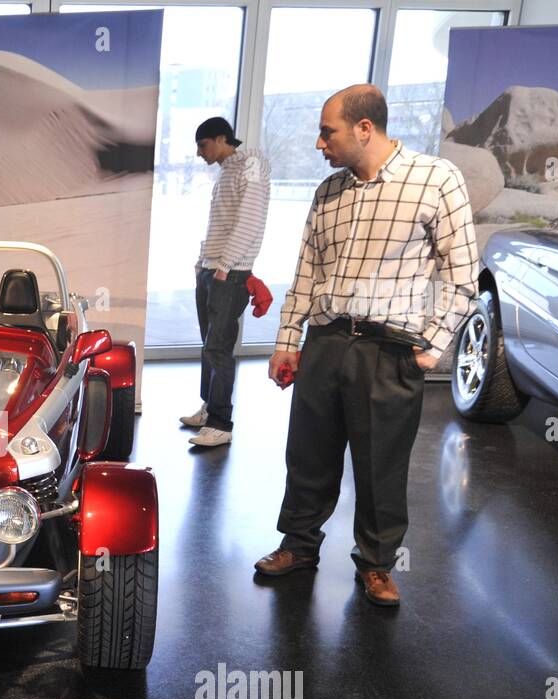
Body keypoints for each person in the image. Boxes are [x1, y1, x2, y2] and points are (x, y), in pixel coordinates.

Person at [254, 84, 478, 607]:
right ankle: (299, 544)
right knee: (308, 452)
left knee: (380, 463)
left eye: (326, 131)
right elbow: (307, 271)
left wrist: (433, 345)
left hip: (390, 348)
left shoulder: (435, 179)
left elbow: (464, 272)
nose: (318, 143)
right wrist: (288, 340)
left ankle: (376, 564)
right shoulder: (328, 192)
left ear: (364, 128)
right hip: (327, 340)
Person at [180, 117, 270, 447]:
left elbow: (249, 218)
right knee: (209, 344)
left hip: (229, 273)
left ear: (221, 138)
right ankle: (209, 407)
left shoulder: (252, 163)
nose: (200, 153)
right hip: (211, 268)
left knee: (219, 347)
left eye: (203, 145)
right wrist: (203, 262)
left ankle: (221, 423)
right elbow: (219, 222)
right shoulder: (227, 170)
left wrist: (225, 265)